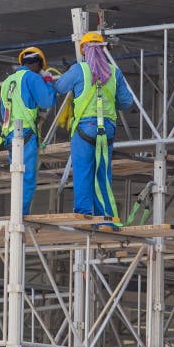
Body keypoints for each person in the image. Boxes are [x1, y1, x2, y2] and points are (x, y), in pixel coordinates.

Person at [55, 32, 133, 218]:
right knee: (103, 173)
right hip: (108, 130)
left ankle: (83, 213)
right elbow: (126, 102)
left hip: (85, 129)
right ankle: (105, 215)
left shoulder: (79, 69)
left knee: (83, 171)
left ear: (83, 50)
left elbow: (59, 88)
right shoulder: (114, 72)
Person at [0, 46, 57, 215]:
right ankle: (20, 216)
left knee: (17, 177)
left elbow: (5, 112)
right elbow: (47, 101)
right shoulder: (32, 77)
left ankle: (16, 214)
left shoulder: (8, 82)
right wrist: (47, 82)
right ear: (38, 64)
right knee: (28, 179)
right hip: (26, 135)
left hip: (10, 136)